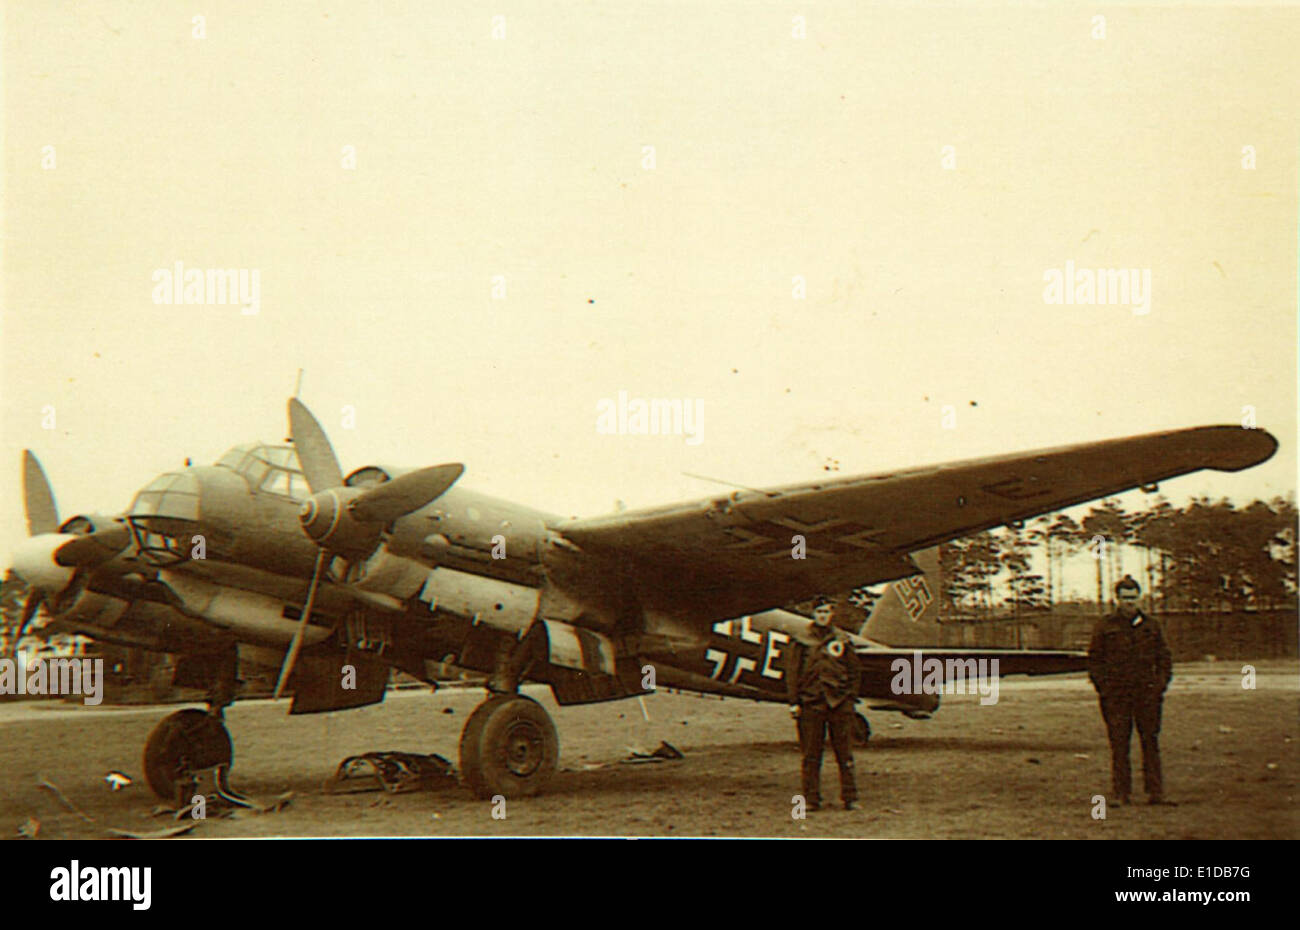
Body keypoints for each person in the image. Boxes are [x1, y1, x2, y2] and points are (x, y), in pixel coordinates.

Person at [1087, 575, 1175, 806]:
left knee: (1150, 742)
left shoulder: (1151, 626)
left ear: (1140, 598)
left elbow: (1164, 659)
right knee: (1119, 743)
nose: (1129, 602)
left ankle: (1155, 793)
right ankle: (1120, 793)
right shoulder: (1105, 626)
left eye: (1133, 597)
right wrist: (1104, 689)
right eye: (1125, 598)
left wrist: (1159, 686)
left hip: (1147, 695)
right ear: (1117, 599)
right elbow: (1094, 660)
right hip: (1116, 696)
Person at [786, 597, 861, 811]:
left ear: (832, 614)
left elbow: (854, 671)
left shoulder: (842, 639)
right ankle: (810, 800)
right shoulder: (801, 639)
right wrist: (794, 702)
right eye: (819, 612)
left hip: (839, 704)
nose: (822, 616)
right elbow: (793, 673)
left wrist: (849, 698)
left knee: (844, 754)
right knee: (810, 756)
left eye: (826, 612)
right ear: (813, 614)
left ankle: (850, 797)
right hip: (811, 703)